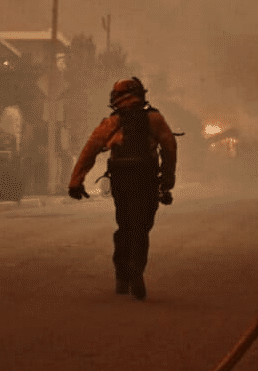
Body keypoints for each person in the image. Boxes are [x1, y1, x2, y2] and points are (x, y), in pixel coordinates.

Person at [68, 77, 178, 301]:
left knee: (125, 224)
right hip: (146, 176)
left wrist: (76, 181)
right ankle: (136, 269)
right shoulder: (154, 118)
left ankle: (122, 274)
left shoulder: (113, 122)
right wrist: (167, 177)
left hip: (121, 177)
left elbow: (90, 149)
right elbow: (169, 147)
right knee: (142, 227)